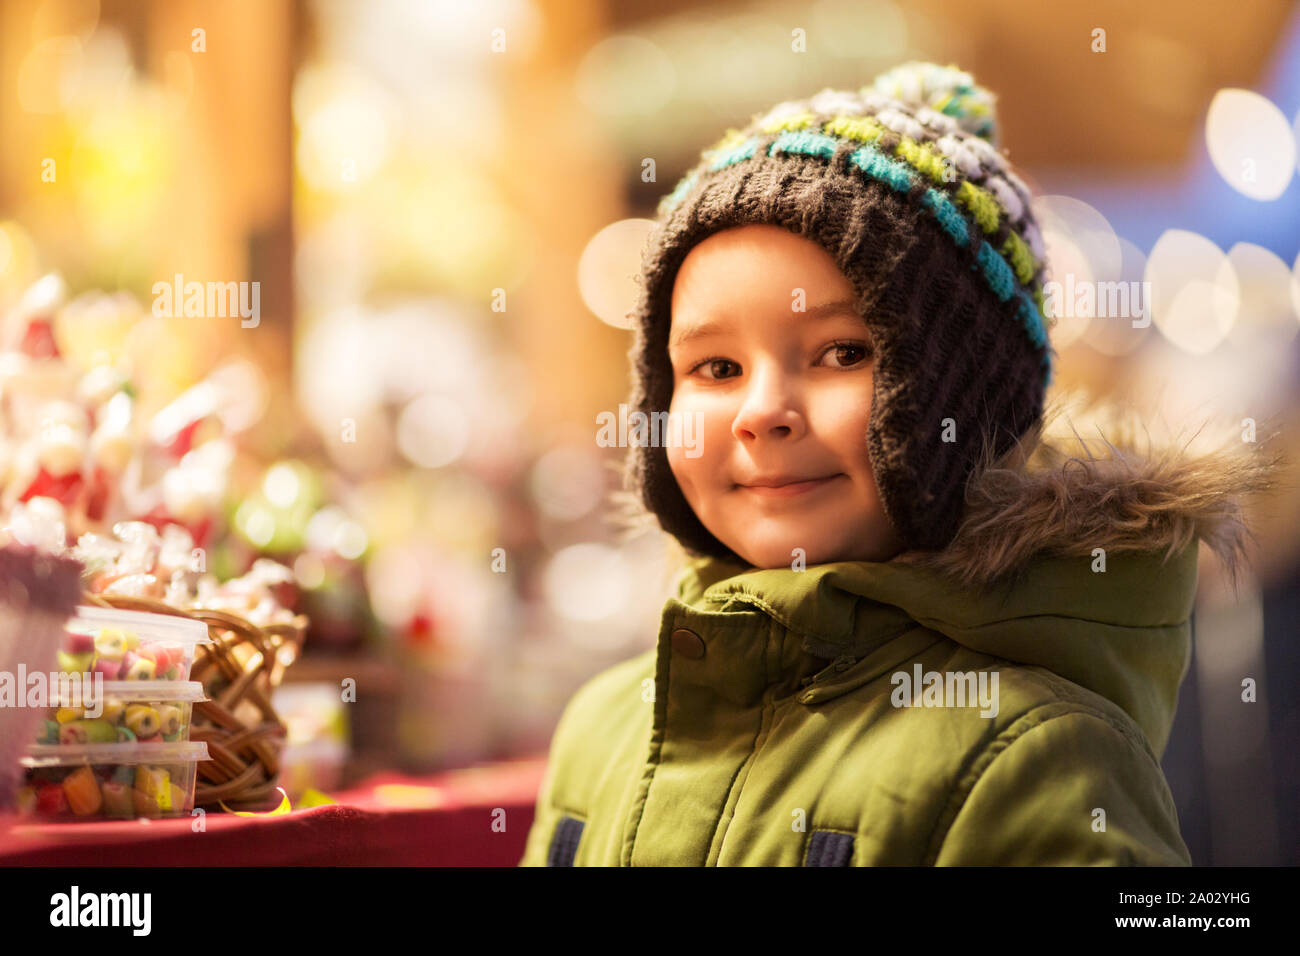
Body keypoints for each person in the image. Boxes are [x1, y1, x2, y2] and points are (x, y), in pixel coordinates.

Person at [518, 62, 1281, 866]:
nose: (761, 412)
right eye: (716, 368)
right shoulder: (604, 728)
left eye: (841, 352)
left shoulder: (1033, 760)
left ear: (968, 397)